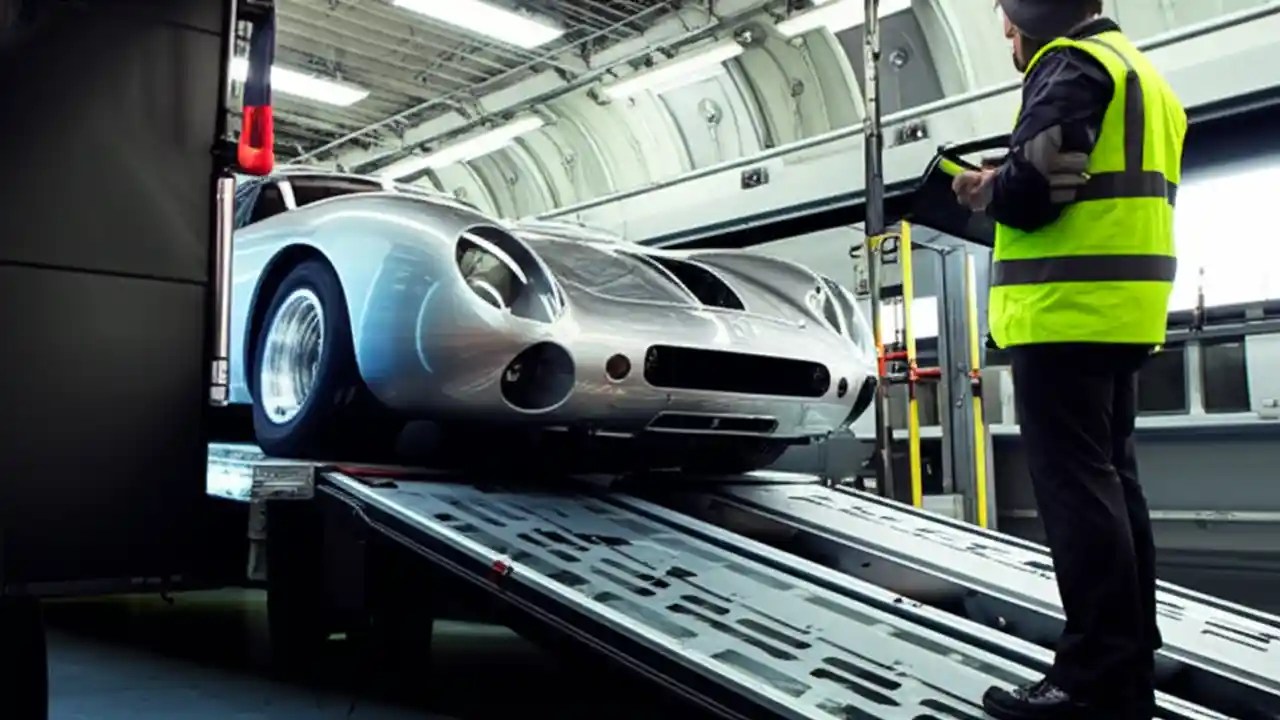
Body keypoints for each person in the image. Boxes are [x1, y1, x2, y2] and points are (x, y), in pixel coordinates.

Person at [951, 0, 1186, 718]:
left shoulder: (1069, 65)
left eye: (1010, 18)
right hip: (1124, 309)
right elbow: (1084, 172)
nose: (1005, 34)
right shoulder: (1145, 75)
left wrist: (986, 187)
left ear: (1039, 16)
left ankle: (1092, 680)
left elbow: (1034, 193)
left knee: (1079, 496)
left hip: (1065, 308)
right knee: (1114, 485)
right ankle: (1127, 661)